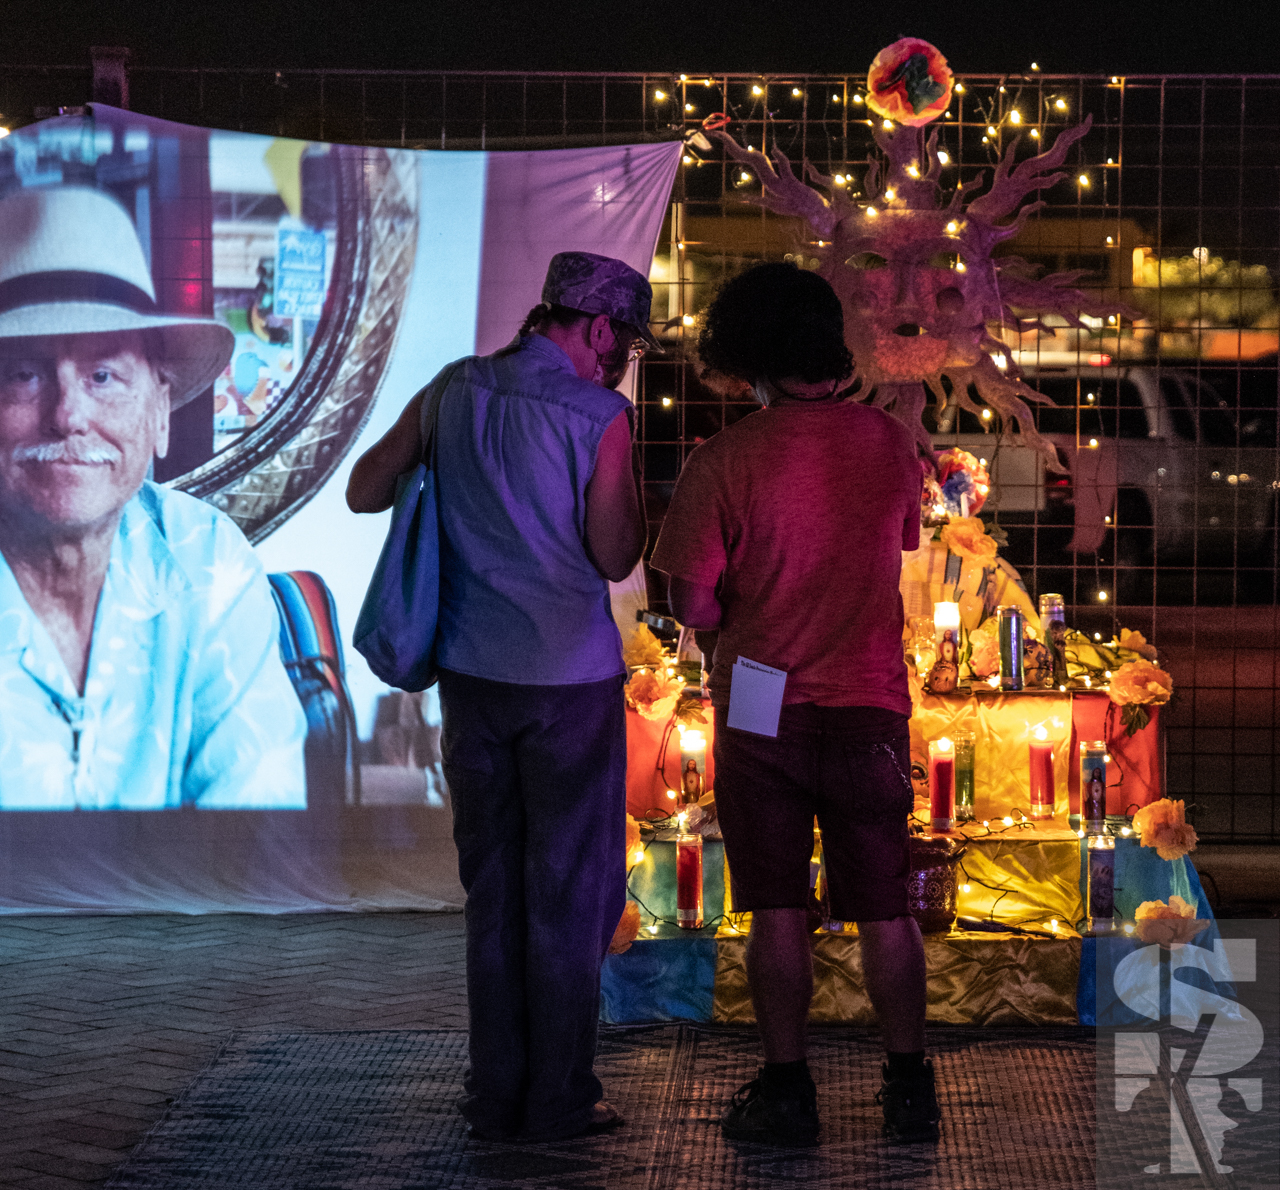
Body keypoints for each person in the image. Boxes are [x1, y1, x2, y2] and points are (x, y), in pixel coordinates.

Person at [347, 251, 651, 1141]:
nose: (618, 361)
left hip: (473, 678)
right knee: (569, 889)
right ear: (598, 331)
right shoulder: (599, 413)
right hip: (568, 681)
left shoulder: (454, 389)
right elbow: (613, 555)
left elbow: (366, 489)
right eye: (622, 346)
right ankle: (558, 1094)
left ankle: (495, 1090)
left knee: (494, 886)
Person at [651, 261, 940, 1146]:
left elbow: (692, 604)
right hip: (870, 707)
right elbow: (900, 543)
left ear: (749, 359)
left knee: (777, 903)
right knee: (885, 903)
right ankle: (909, 1088)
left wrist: (744, 599)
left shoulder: (723, 458)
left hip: (760, 711)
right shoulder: (891, 445)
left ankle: (787, 1091)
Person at [0, 186, 307, 809]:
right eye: (25, 373)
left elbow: (251, 839)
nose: (69, 415)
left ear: (161, 412)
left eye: (104, 375)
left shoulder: (207, 561)